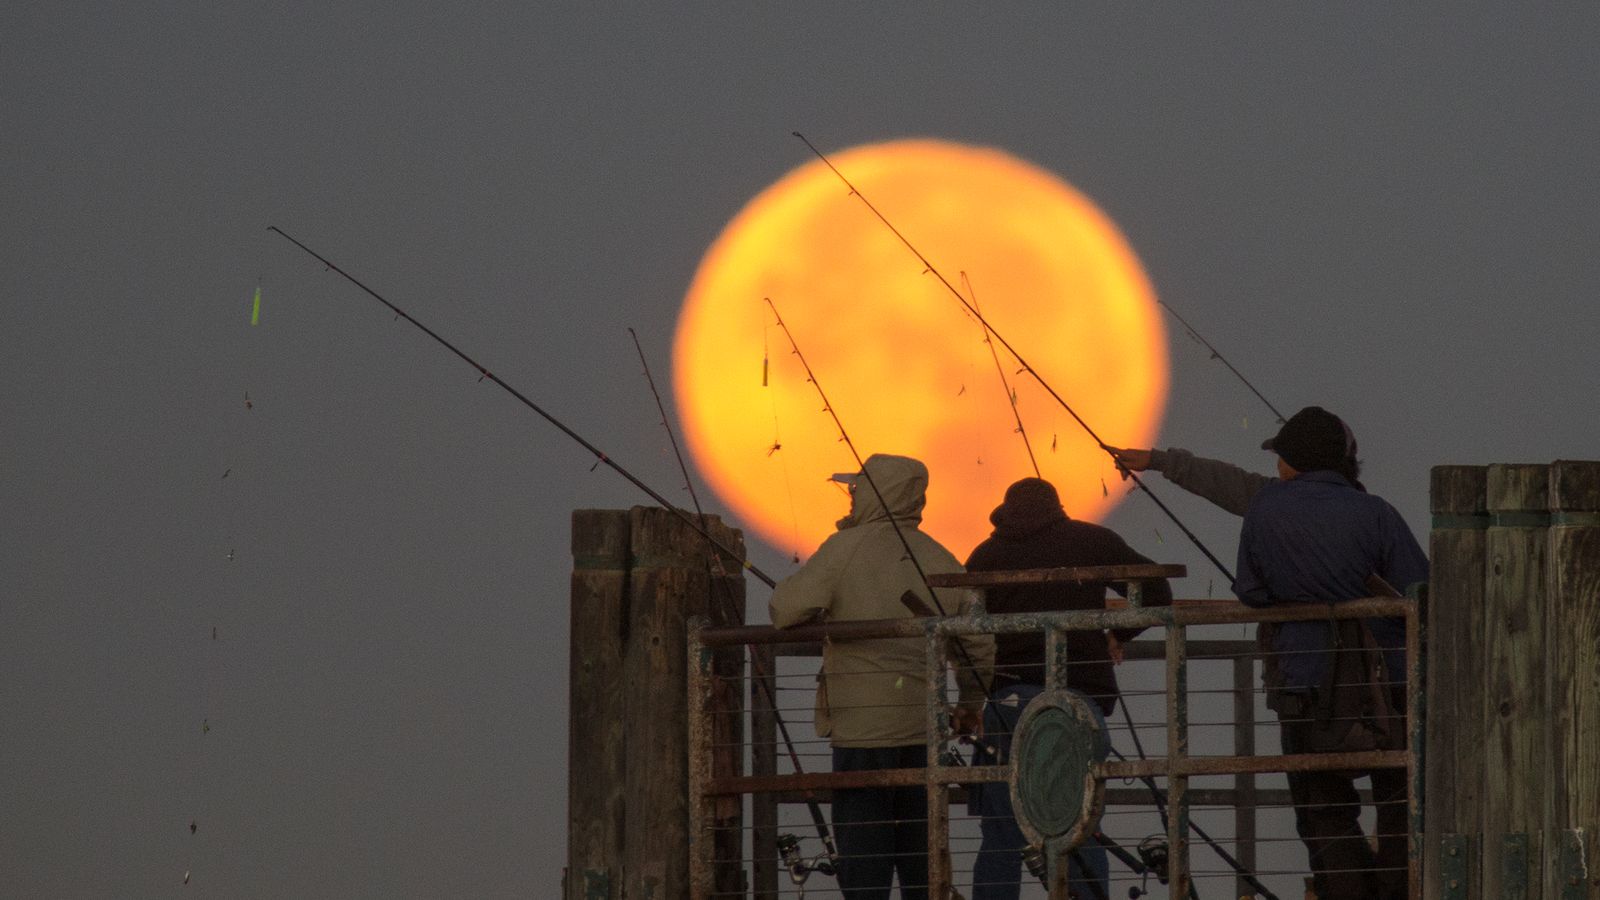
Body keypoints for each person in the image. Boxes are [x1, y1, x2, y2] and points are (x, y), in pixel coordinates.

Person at [770, 453, 995, 900]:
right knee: (922, 859)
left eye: (856, 489)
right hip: (924, 730)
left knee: (864, 864)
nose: (851, 497)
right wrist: (970, 706)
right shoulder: (940, 556)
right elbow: (978, 645)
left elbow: (784, 610)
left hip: (862, 733)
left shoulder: (844, 549)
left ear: (875, 494)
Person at [1231, 407, 1428, 900]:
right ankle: (1394, 890)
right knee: (1398, 803)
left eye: (1280, 456)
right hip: (1386, 684)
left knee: (1322, 808)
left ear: (1295, 460)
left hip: (1303, 682)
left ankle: (1346, 890)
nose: (1277, 466)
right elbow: (1420, 589)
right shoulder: (1375, 512)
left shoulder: (1264, 509)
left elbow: (1250, 590)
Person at [963, 477, 1173, 900]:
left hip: (1008, 698)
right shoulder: (1091, 541)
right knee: (1080, 822)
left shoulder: (986, 555)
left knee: (1002, 830)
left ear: (1005, 510)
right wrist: (1116, 634)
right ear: (1058, 506)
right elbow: (1156, 590)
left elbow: (969, 629)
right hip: (1077, 697)